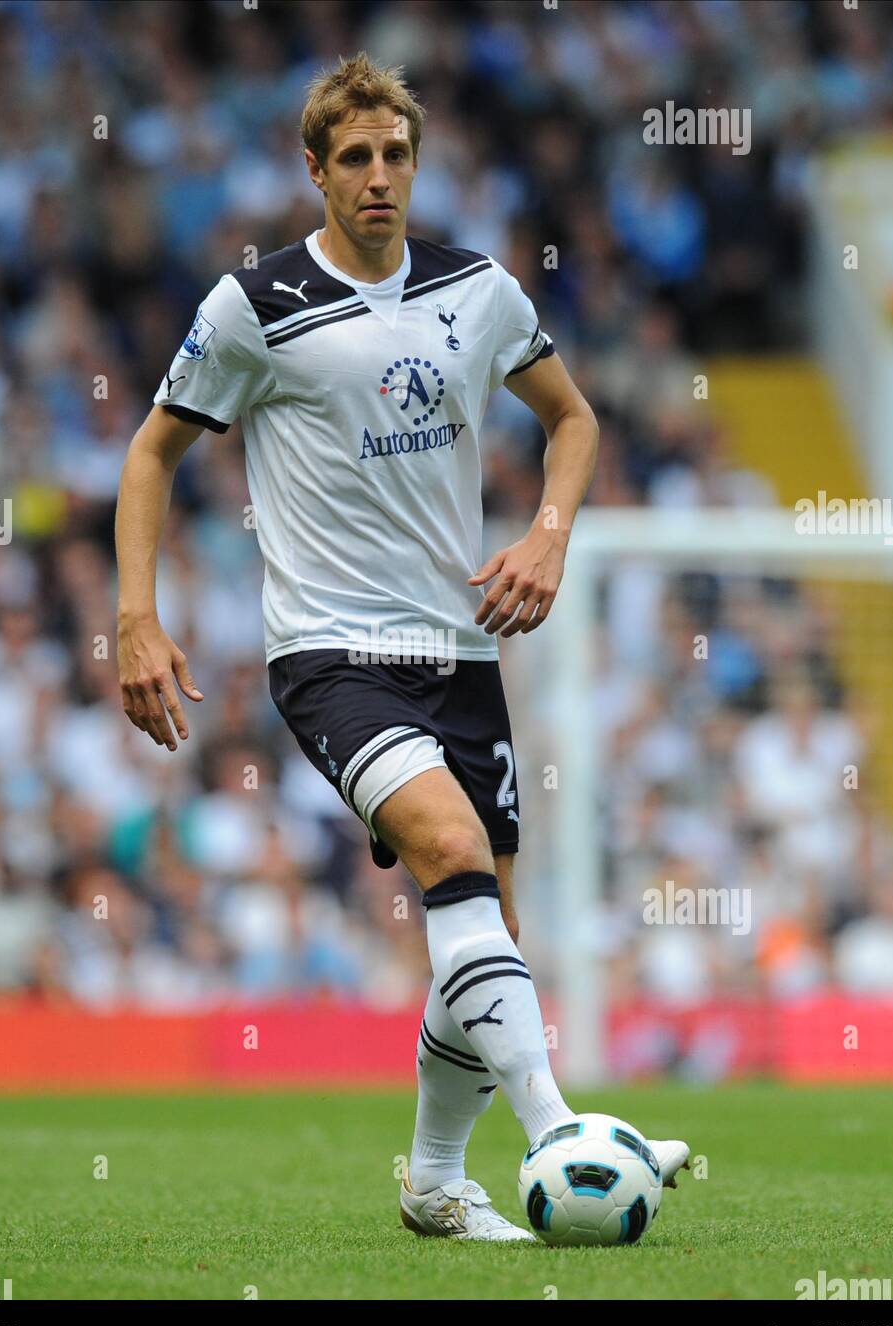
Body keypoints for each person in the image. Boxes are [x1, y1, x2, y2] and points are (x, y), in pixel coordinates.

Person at [115, 53, 688, 1240]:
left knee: (487, 933)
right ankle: (564, 1133)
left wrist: (547, 531)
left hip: (460, 650)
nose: (379, 177)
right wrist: (135, 615)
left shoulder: (477, 291)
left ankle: (433, 1182)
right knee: (451, 845)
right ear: (314, 171)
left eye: (396, 155)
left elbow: (573, 419)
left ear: (415, 164)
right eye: (355, 158)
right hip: (327, 649)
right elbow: (151, 453)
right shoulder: (255, 305)